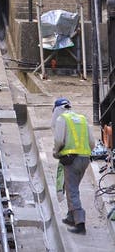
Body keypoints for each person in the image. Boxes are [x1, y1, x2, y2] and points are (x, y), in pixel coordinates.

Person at [52, 97, 95, 234]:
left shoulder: (62, 119)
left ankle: (80, 223)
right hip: (85, 159)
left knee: (71, 190)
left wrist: (56, 152)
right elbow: (92, 142)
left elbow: (59, 140)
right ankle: (71, 217)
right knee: (74, 187)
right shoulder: (82, 118)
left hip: (71, 160)